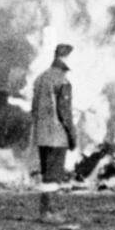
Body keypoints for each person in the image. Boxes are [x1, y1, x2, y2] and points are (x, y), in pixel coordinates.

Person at [31, 43, 76, 186]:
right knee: (53, 182)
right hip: (58, 139)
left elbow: (34, 110)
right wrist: (72, 136)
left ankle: (45, 207)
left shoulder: (40, 78)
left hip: (41, 138)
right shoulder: (63, 80)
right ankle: (49, 208)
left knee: (46, 180)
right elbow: (65, 113)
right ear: (66, 58)